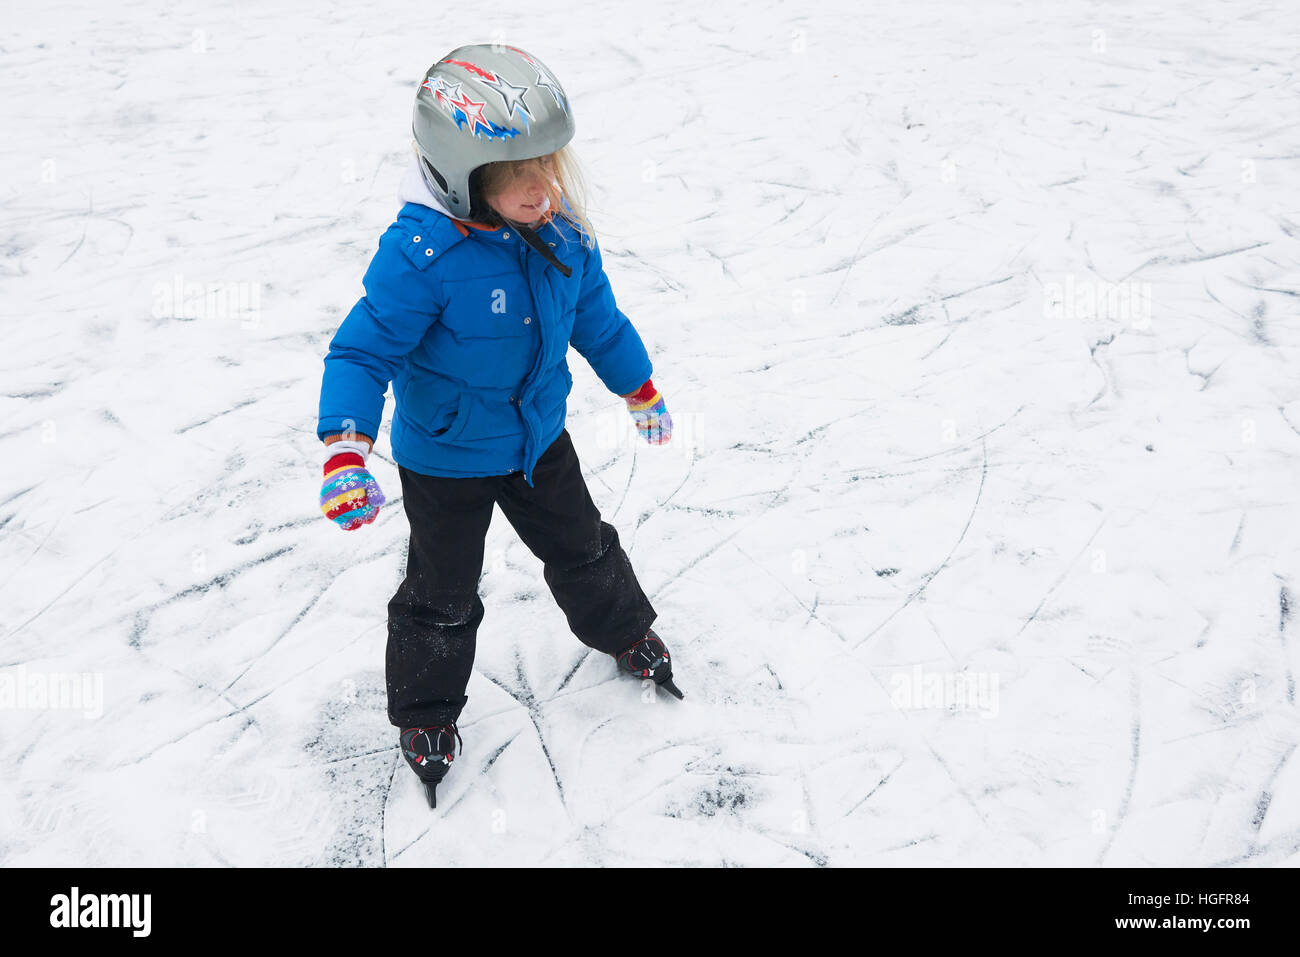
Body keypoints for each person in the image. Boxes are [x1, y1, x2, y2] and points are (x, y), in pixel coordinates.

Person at [315, 44, 681, 808]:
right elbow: (363, 348)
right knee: (441, 593)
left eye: (548, 165)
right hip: (445, 457)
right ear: (460, 172)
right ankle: (425, 714)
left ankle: (624, 631)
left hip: (538, 440)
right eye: (517, 172)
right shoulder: (423, 257)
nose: (542, 187)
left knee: (584, 548)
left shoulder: (565, 236)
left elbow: (598, 320)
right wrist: (346, 450)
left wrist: (637, 385)